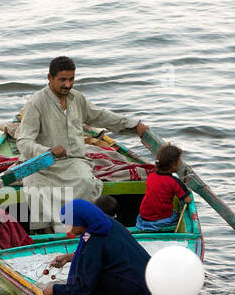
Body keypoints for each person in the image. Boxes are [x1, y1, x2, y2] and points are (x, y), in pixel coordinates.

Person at [16, 56, 148, 230]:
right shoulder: (36, 103)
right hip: (44, 163)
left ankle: (79, 225)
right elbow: (23, 141)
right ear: (50, 78)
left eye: (71, 79)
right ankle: (49, 229)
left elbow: (101, 116)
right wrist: (48, 150)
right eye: (62, 80)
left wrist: (133, 124)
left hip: (74, 161)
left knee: (86, 181)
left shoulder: (77, 98)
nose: (68, 84)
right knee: (35, 185)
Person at [40, 199, 151, 295]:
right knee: (87, 264)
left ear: (80, 222)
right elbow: (97, 251)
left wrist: (55, 289)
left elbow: (81, 289)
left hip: (134, 289)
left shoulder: (94, 242)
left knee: (88, 273)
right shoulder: (102, 223)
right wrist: (69, 257)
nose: (67, 228)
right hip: (146, 279)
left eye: (69, 224)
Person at [136, 143, 191, 231]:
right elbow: (187, 200)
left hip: (143, 220)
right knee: (176, 215)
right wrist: (186, 188)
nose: (180, 163)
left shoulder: (151, 176)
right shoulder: (174, 181)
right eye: (179, 161)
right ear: (173, 166)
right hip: (161, 222)